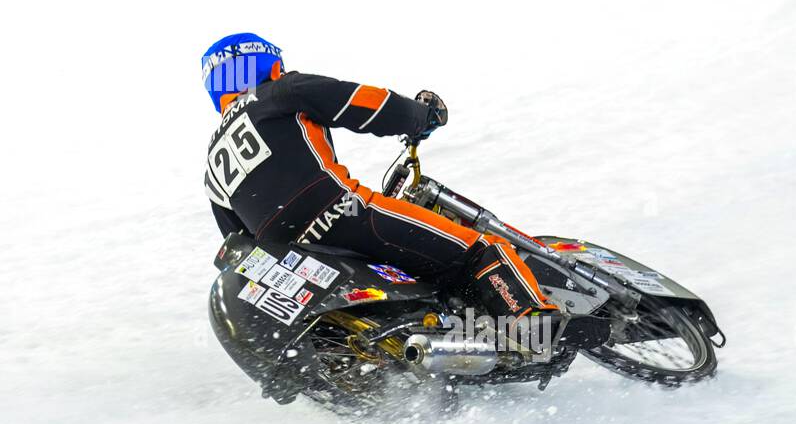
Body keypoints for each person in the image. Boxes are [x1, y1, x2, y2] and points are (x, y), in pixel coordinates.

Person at [201, 32, 561, 323]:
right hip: (342, 213)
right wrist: (421, 116)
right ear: (271, 65)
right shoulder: (278, 92)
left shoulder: (211, 167)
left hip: (292, 256)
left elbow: (237, 241)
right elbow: (363, 103)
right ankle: (532, 323)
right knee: (477, 248)